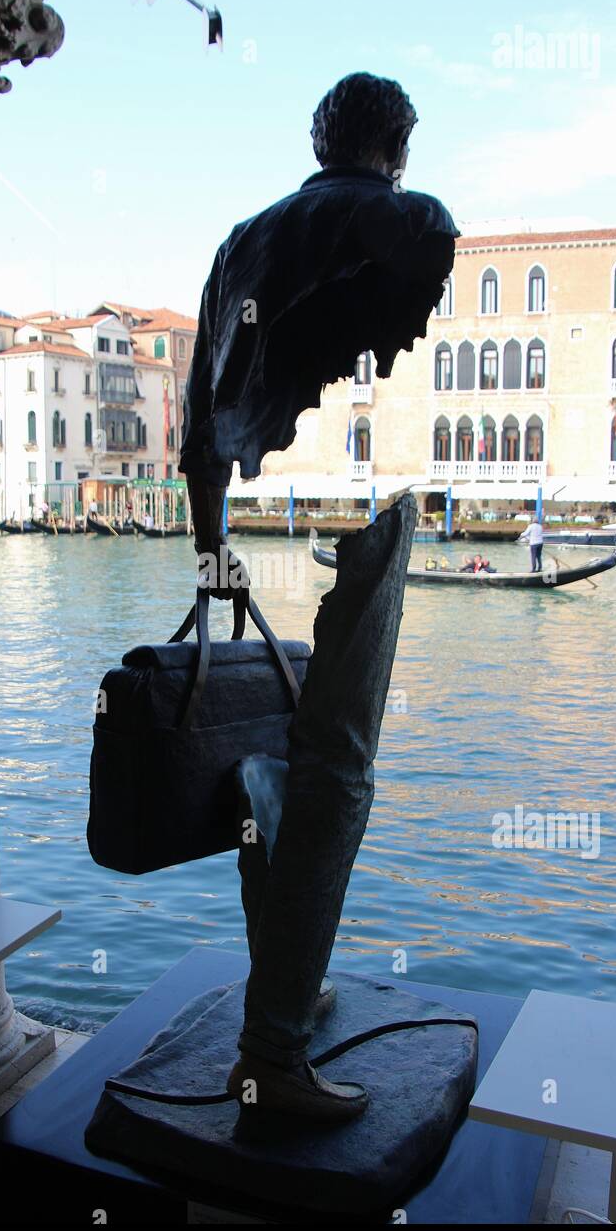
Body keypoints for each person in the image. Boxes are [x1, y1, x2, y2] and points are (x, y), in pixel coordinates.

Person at [179, 72, 457, 1120]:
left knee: (267, 776)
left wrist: (212, 554)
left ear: (316, 136)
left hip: (256, 532)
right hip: (367, 527)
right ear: (396, 144)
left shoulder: (237, 244)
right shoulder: (411, 222)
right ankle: (272, 1053)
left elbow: (200, 435)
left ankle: (283, 989)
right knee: (335, 775)